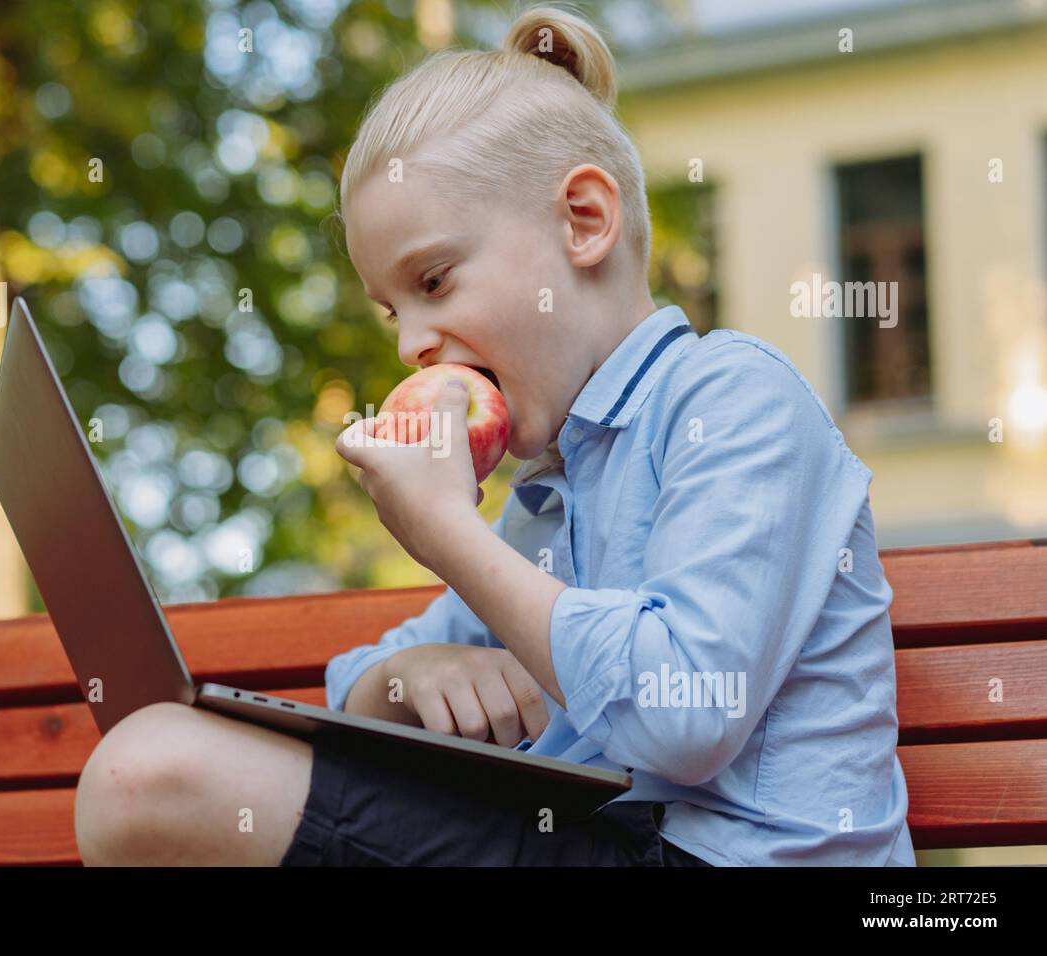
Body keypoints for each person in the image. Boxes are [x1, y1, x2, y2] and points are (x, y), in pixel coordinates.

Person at [74, 3, 915, 867]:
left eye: (434, 280)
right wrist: (408, 679)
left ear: (585, 221)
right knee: (151, 771)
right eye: (393, 310)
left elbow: (685, 715)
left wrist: (445, 533)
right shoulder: (545, 500)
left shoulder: (736, 397)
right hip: (597, 846)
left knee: (152, 777)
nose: (409, 344)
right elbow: (362, 684)